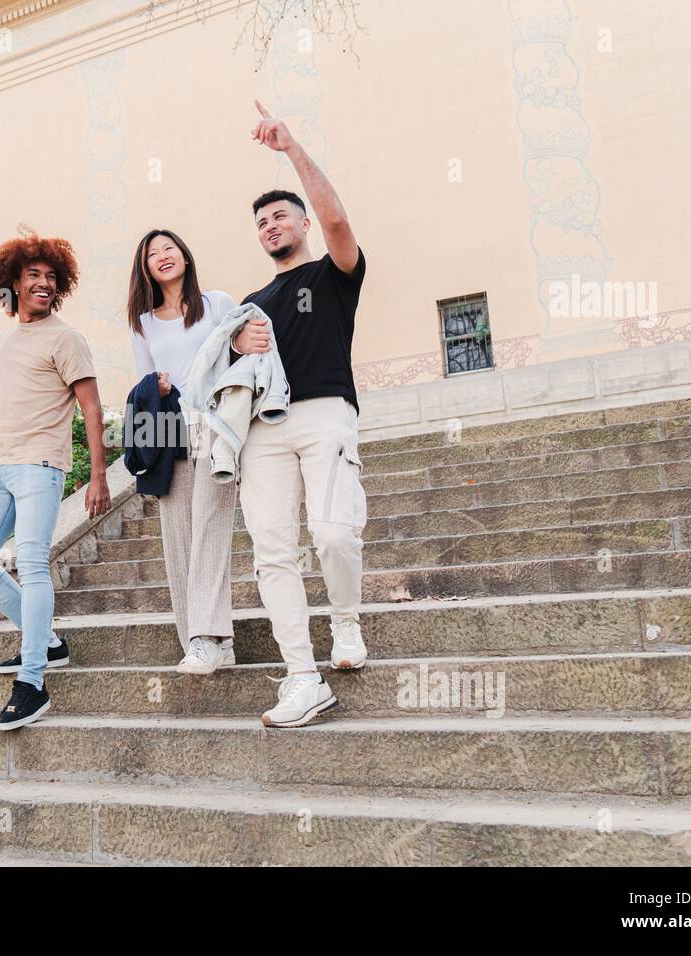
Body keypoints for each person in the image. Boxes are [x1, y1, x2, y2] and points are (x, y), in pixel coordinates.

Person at [232, 101, 369, 728]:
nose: (269, 225)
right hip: (264, 428)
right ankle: (301, 676)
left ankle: (345, 622)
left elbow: (339, 218)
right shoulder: (251, 302)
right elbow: (222, 370)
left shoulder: (333, 271)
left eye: (279, 215)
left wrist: (291, 148)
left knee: (335, 532)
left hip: (325, 414)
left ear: (303, 222)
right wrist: (238, 346)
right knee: (271, 552)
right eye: (260, 222)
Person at [0, 231, 112, 731]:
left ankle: (33, 680)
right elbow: (6, 403)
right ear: (13, 282)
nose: (43, 284)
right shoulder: (3, 340)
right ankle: (48, 641)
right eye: (33, 276)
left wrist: (98, 475)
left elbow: (92, 407)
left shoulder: (67, 339)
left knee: (33, 561)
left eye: (51, 278)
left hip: (41, 465)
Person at [127, 229, 238, 674]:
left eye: (169, 248)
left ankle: (202, 638)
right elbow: (142, 381)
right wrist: (157, 387)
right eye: (153, 254)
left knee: (210, 527)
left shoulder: (218, 304)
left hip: (216, 424)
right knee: (179, 538)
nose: (163, 256)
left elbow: (241, 358)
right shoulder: (144, 323)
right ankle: (214, 639)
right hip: (171, 427)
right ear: (147, 269)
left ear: (185, 257)